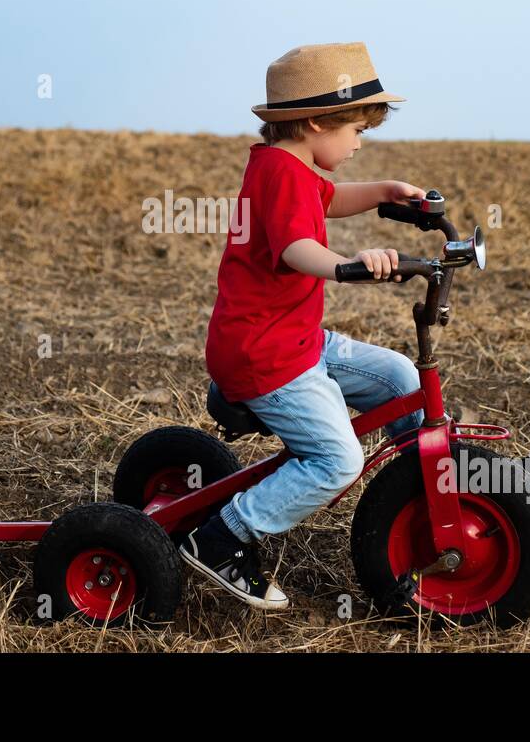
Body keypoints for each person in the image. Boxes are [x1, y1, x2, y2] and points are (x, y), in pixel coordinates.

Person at [182, 42, 429, 610]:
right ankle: (221, 539)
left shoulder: (290, 166)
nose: (360, 142)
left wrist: (384, 192)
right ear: (316, 121)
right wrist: (348, 265)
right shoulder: (280, 175)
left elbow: (329, 200)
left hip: (291, 342)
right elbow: (296, 247)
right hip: (265, 357)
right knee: (337, 460)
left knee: (398, 376)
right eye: (356, 129)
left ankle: (425, 486)